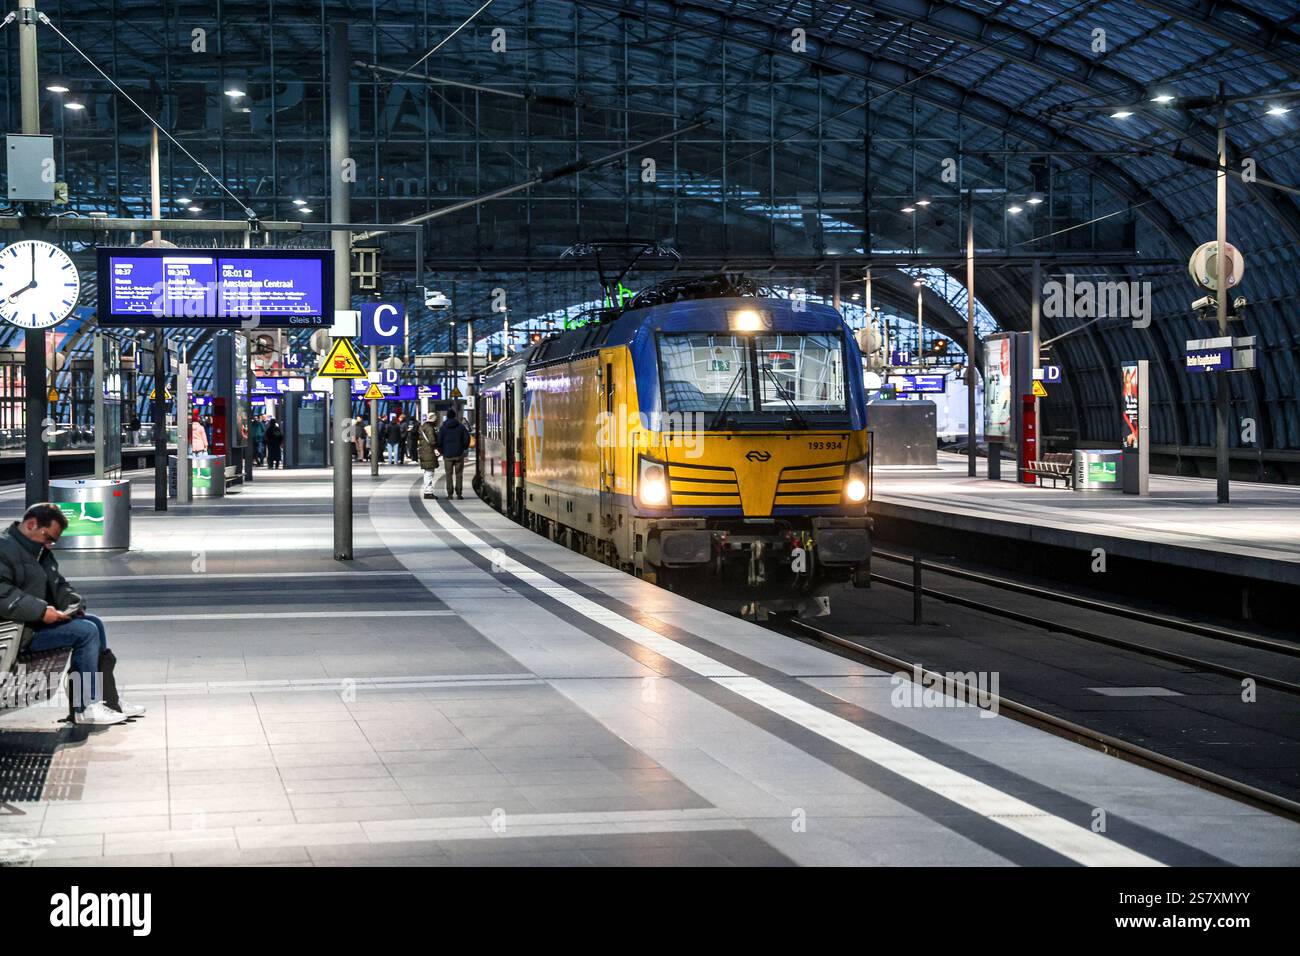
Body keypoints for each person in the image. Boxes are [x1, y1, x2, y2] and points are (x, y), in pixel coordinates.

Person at [0, 503, 144, 725]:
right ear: (31, 525)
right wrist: (41, 612)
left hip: (30, 623)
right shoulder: (4, 549)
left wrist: (72, 602)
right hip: (16, 631)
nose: (50, 544)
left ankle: (108, 700)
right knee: (85, 632)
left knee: (93, 622)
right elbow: (4, 595)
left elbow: (57, 584)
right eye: (48, 537)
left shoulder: (38, 550)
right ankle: (85, 706)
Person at [436, 407, 471, 499]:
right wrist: (463, 448)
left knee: (448, 474)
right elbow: (467, 439)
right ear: (455, 416)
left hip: (447, 455)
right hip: (459, 454)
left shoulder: (443, 428)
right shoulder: (461, 427)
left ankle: (450, 494)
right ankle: (459, 494)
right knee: (459, 474)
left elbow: (439, 441)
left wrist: (442, 450)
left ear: (447, 416)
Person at [417, 413, 440, 499]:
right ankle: (428, 492)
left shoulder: (423, 427)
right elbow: (432, 441)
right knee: (429, 473)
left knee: (427, 472)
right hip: (428, 453)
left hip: (424, 452)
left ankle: (427, 490)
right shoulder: (430, 429)